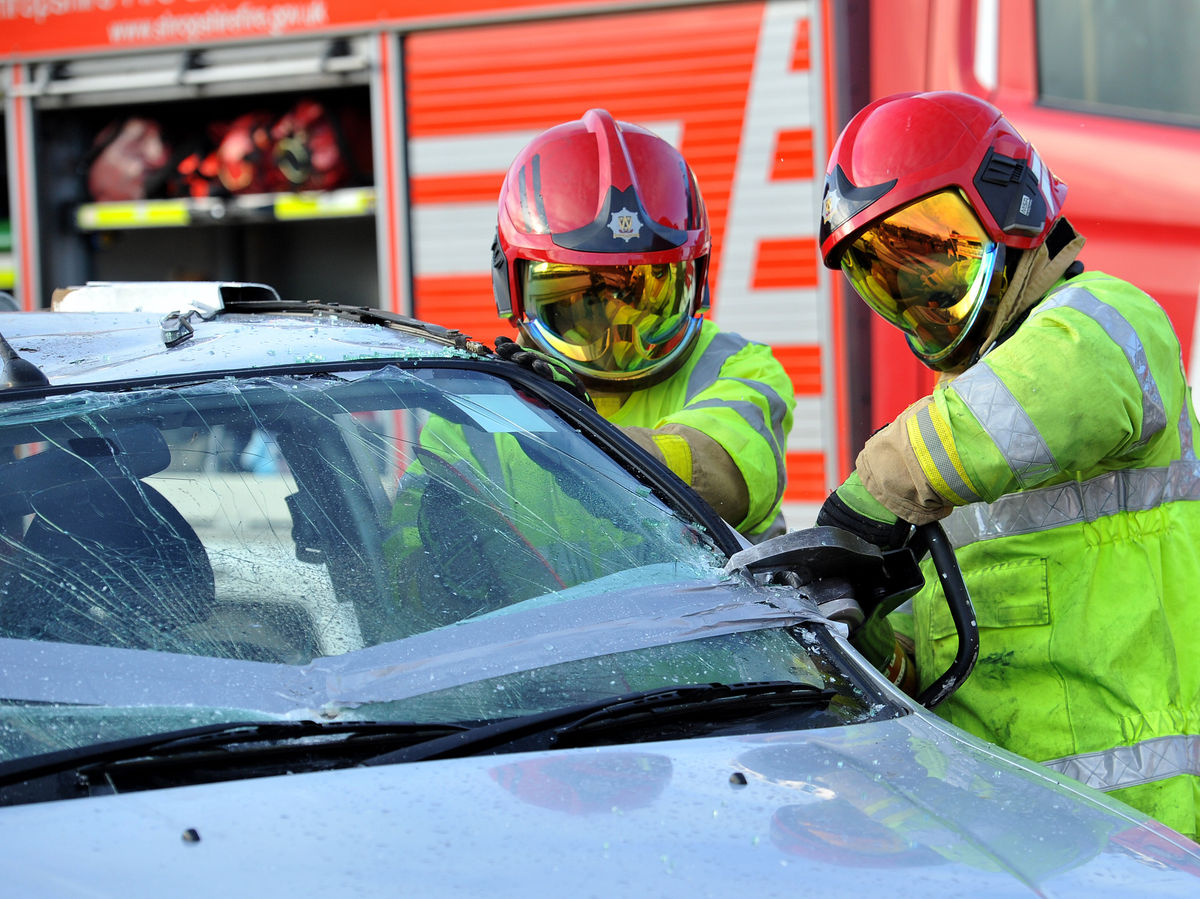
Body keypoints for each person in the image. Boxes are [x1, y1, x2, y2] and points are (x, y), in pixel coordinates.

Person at [815, 90, 1200, 841]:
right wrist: (857, 633)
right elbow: (935, 660)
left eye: (933, 255)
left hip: (1141, 839)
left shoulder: (1107, 322)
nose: (917, 292)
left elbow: (1047, 390)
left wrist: (867, 497)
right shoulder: (956, 422)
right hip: (1007, 838)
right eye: (888, 276)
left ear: (1011, 210)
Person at [490, 108, 795, 541]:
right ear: (512, 286)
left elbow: (726, 473)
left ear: (698, 280)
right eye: (587, 300)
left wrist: (582, 444)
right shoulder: (476, 400)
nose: (621, 330)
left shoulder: (737, 366)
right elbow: (403, 557)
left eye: (644, 294)